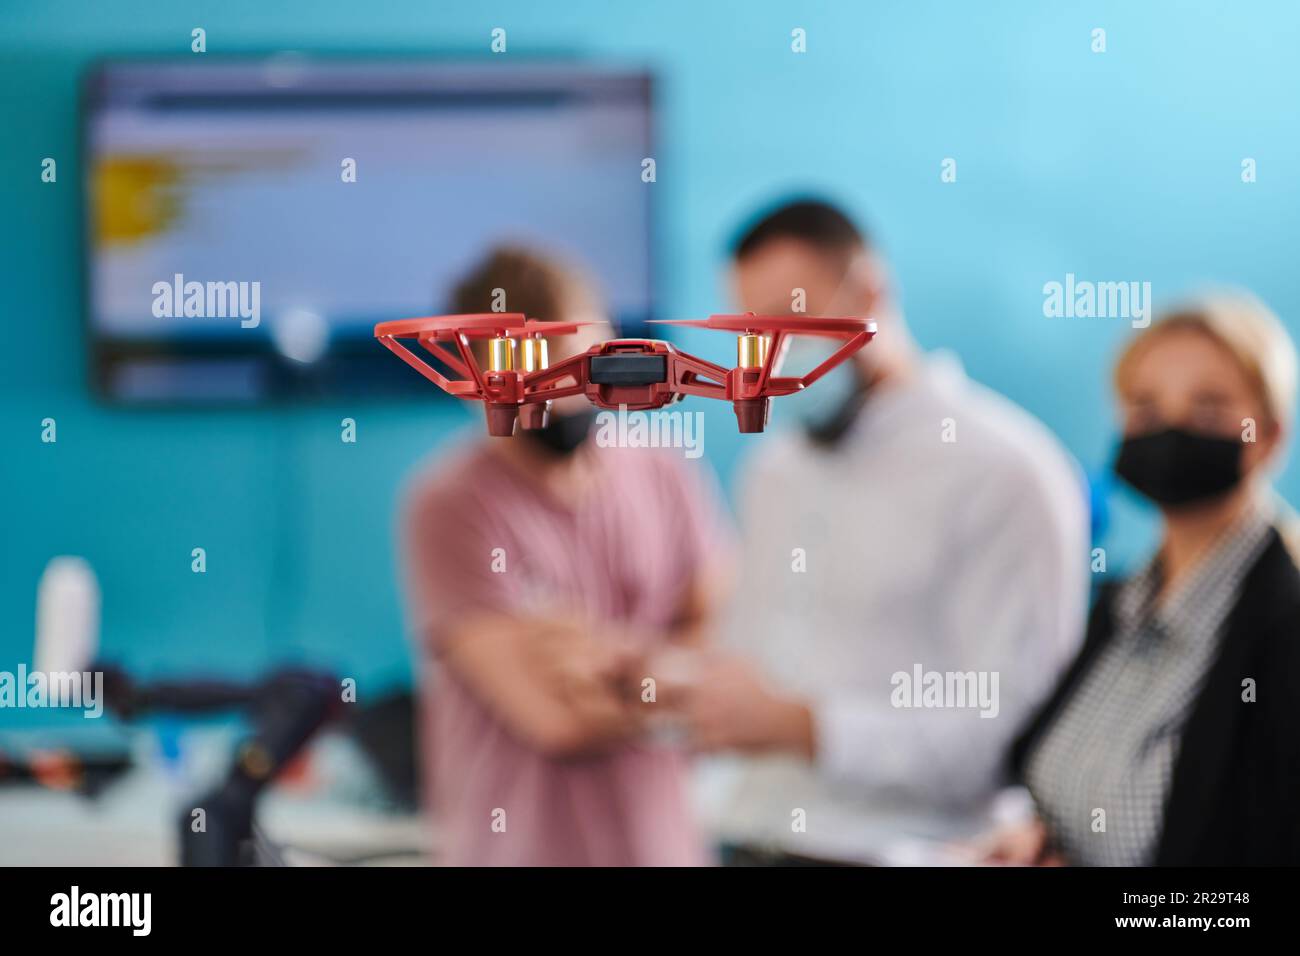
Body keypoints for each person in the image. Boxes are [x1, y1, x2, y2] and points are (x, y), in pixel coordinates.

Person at [678, 198, 1090, 864]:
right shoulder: (775, 468)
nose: (772, 356)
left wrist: (810, 730)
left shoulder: (1007, 472)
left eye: (792, 317)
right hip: (746, 838)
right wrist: (667, 681)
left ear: (869, 290)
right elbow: (751, 653)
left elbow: (1013, 733)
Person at [399, 246, 730, 866]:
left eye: (585, 367)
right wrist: (666, 676)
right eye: (544, 379)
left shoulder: (667, 474)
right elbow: (556, 720)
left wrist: (602, 660)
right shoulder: (448, 504)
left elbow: (726, 651)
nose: (570, 398)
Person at [985, 293, 1300, 866]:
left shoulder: (1285, 628)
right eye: (1146, 409)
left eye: (1209, 409)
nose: (1172, 428)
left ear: (1271, 435)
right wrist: (1034, 840)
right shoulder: (1118, 604)